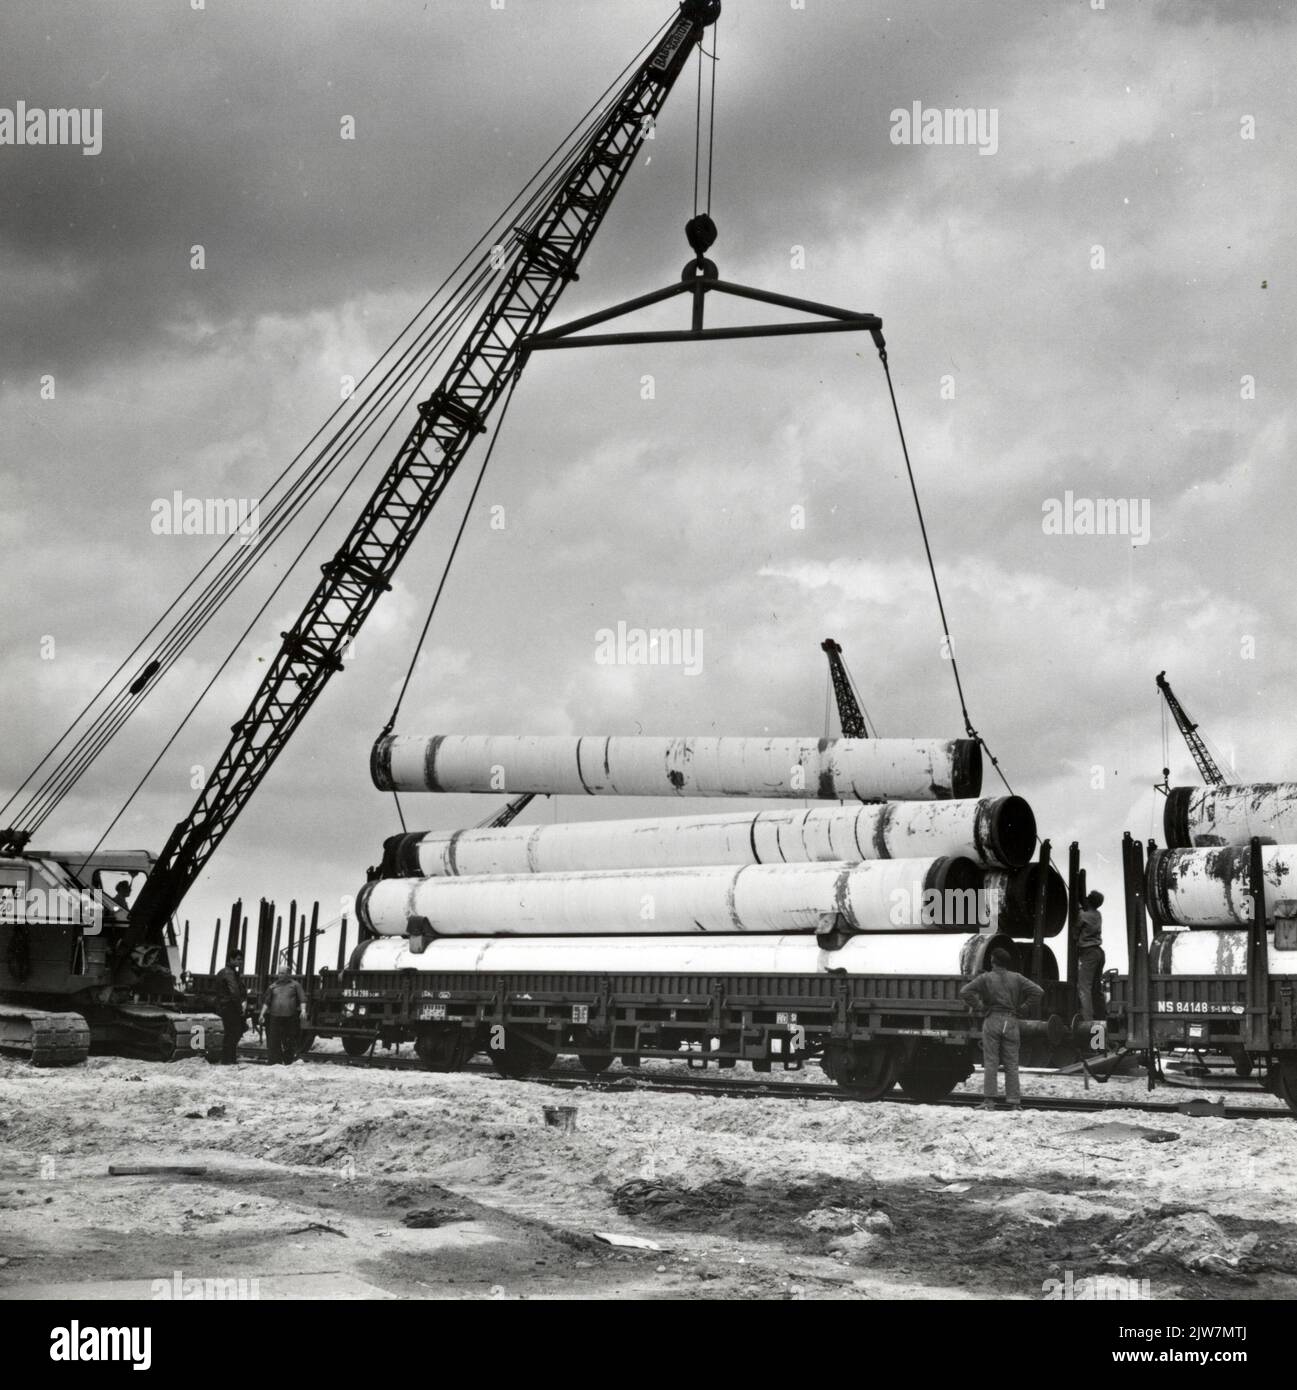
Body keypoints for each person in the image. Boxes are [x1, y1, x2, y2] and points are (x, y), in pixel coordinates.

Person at [959, 946, 1044, 1110]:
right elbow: (1038, 992)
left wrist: (980, 1007)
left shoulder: (986, 978)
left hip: (992, 1020)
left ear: (993, 962)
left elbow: (965, 992)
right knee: (1012, 1063)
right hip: (1011, 1021)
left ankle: (989, 1102)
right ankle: (1014, 1103)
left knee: (991, 1062)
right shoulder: (1017, 978)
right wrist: (1024, 1007)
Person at [259, 966, 308, 1065]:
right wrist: (262, 1014)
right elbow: (266, 1002)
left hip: (289, 1017)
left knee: (289, 1040)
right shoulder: (273, 986)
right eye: (279, 973)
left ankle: (288, 1061)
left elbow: (302, 998)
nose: (279, 975)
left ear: (288, 974)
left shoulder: (295, 985)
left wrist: (303, 1010)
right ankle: (274, 1061)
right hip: (275, 1017)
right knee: (274, 1040)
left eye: (282, 973)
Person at [1076, 890, 1106, 1023]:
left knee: (1084, 987)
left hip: (1088, 953)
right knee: (1096, 988)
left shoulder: (1083, 916)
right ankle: (1102, 1017)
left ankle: (1088, 1021)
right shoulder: (1098, 914)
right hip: (1099, 952)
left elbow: (1075, 931)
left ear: (1089, 901)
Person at [213, 951, 247, 1065]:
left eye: (241, 959)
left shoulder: (225, 972)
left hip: (225, 1006)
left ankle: (229, 1059)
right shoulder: (229, 973)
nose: (240, 962)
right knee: (233, 1033)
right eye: (238, 959)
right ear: (231, 959)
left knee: (231, 1033)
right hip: (230, 1007)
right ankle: (228, 1060)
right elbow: (234, 992)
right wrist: (240, 1009)